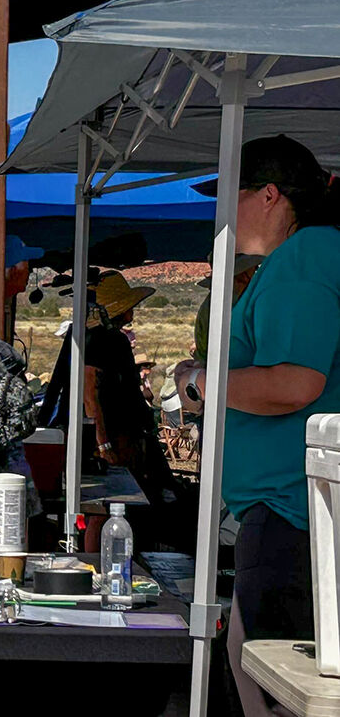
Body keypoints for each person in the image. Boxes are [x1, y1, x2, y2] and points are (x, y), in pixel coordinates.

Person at [174, 135, 340, 716]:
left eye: (230, 195)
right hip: (287, 514)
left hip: (293, 515)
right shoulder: (302, 257)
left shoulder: (306, 255)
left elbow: (295, 383)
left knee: (275, 696)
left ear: (269, 195)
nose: (223, 211)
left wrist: (200, 385)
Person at [42, 271, 183, 550]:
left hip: (115, 432)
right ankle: (99, 563)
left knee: (109, 506)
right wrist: (103, 439)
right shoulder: (103, 339)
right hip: (112, 436)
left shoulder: (96, 337)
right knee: (106, 506)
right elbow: (89, 388)